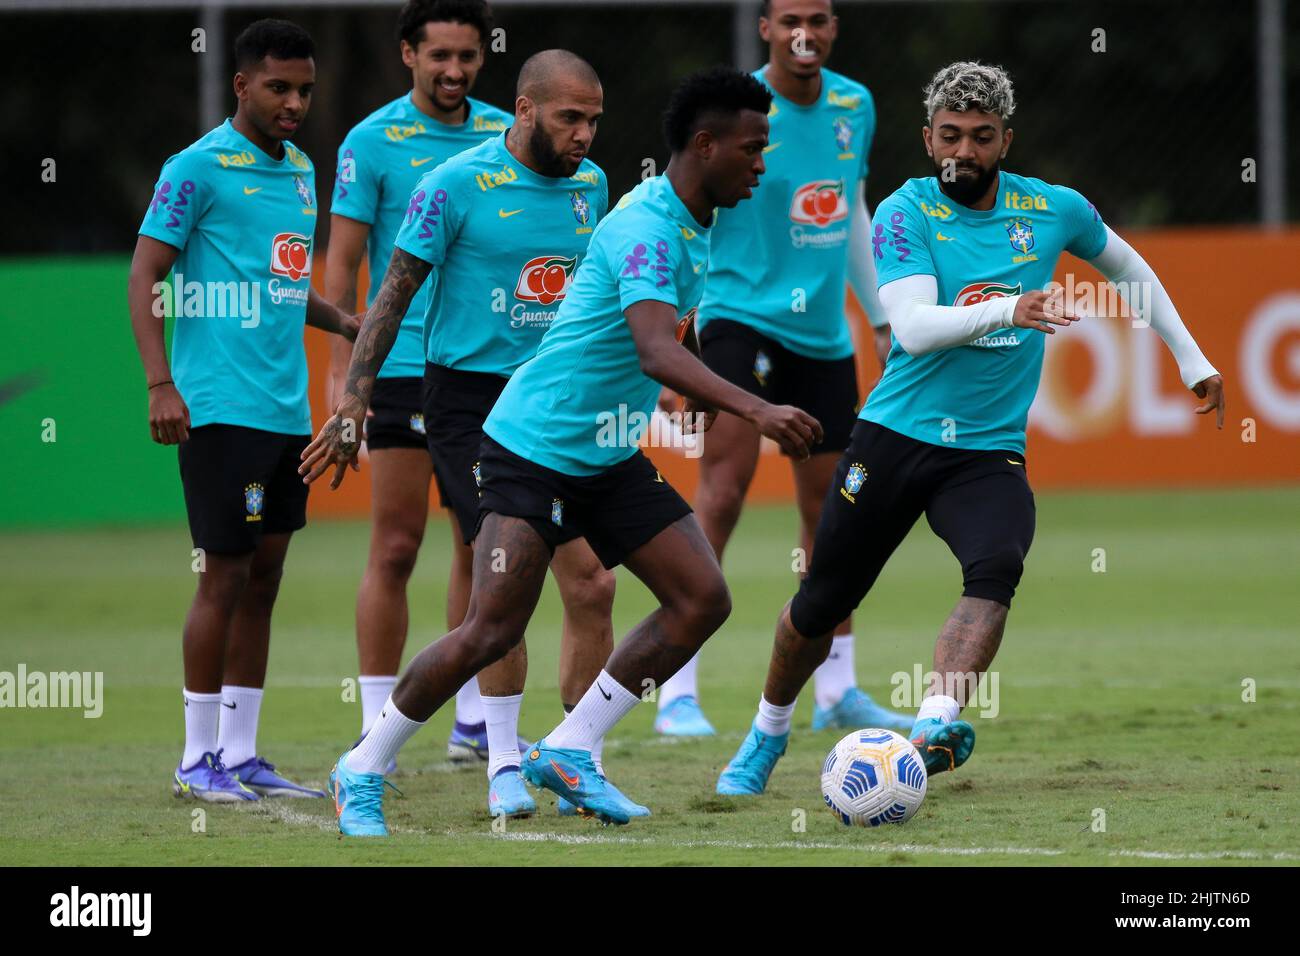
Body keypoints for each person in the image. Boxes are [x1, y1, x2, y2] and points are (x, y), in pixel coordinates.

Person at [306, 65, 822, 834]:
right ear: (706, 146)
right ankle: (364, 765)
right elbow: (652, 347)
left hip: (603, 452)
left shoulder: (684, 217)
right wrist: (756, 407)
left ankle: (570, 748)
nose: (762, 164)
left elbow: (661, 331)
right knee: (493, 626)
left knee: (701, 598)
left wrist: (689, 381)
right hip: (528, 447)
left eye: (595, 120)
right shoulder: (642, 222)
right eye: (752, 149)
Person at [716, 60, 1225, 796]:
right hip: (895, 437)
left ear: (1005, 140)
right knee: (821, 601)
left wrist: (1190, 357)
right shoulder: (905, 211)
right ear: (927, 139)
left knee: (998, 565)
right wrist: (1011, 308)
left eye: (981, 137)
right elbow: (916, 328)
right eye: (950, 135)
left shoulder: (1052, 208)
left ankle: (931, 723)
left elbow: (1127, 266)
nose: (964, 151)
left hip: (987, 452)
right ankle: (765, 733)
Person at [327, 0, 565, 780]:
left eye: (468, 56)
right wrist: (342, 385)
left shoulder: (512, 131)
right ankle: (375, 730)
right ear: (408, 54)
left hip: (494, 377)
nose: (456, 71)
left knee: (483, 541)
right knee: (395, 546)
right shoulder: (371, 142)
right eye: (440, 57)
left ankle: (472, 721)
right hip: (397, 372)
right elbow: (344, 264)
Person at [656, 0, 907, 737]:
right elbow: (693, 211)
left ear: (834, 27)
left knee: (835, 511)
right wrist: (683, 335)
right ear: (764, 27)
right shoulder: (740, 109)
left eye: (820, 17)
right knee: (725, 490)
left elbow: (852, 208)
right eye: (791, 16)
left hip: (825, 336)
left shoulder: (855, 105)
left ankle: (836, 689)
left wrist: (883, 318)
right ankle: (676, 691)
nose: (807, 31)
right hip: (739, 318)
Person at [127, 19, 359, 802]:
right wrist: (162, 384)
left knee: (265, 579)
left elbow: (284, 286)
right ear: (240, 86)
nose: (294, 104)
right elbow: (144, 276)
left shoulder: (299, 170)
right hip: (219, 407)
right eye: (278, 88)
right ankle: (196, 761)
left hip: (285, 410)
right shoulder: (195, 169)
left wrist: (345, 321)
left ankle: (243, 752)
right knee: (221, 579)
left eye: (304, 91)